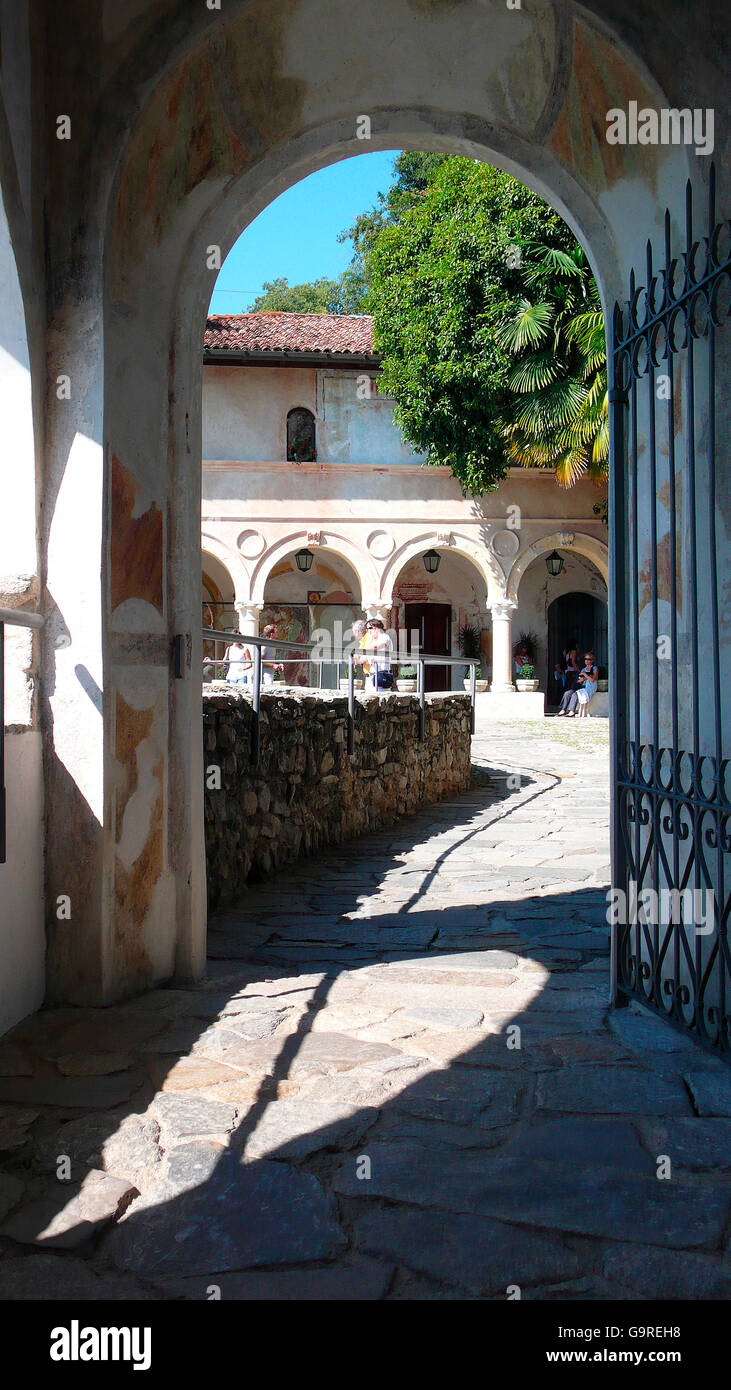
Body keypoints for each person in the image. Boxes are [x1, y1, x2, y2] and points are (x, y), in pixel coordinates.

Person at [557, 650, 598, 716]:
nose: (587, 661)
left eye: (589, 659)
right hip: (581, 686)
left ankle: (572, 711)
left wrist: (585, 675)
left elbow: (593, 680)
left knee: (575, 694)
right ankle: (563, 709)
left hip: (589, 688)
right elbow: (579, 680)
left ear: (592, 660)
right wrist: (586, 677)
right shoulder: (583, 669)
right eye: (585, 659)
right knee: (567, 693)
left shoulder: (594, 668)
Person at [362, 618, 394, 690]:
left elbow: (377, 646)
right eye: (367, 629)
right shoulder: (374, 641)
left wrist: (364, 651)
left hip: (381, 676)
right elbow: (366, 658)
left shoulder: (384, 637)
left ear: (376, 628)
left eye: (370, 628)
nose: (368, 631)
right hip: (373, 676)